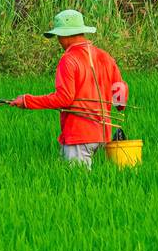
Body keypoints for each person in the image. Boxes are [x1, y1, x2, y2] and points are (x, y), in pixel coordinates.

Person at [9, 9, 128, 168]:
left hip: (79, 134)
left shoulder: (69, 59)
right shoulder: (104, 56)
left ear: (64, 36)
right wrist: (119, 106)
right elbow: (120, 89)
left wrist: (27, 101)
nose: (58, 40)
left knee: (77, 185)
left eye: (58, 36)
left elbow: (64, 98)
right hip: (104, 133)